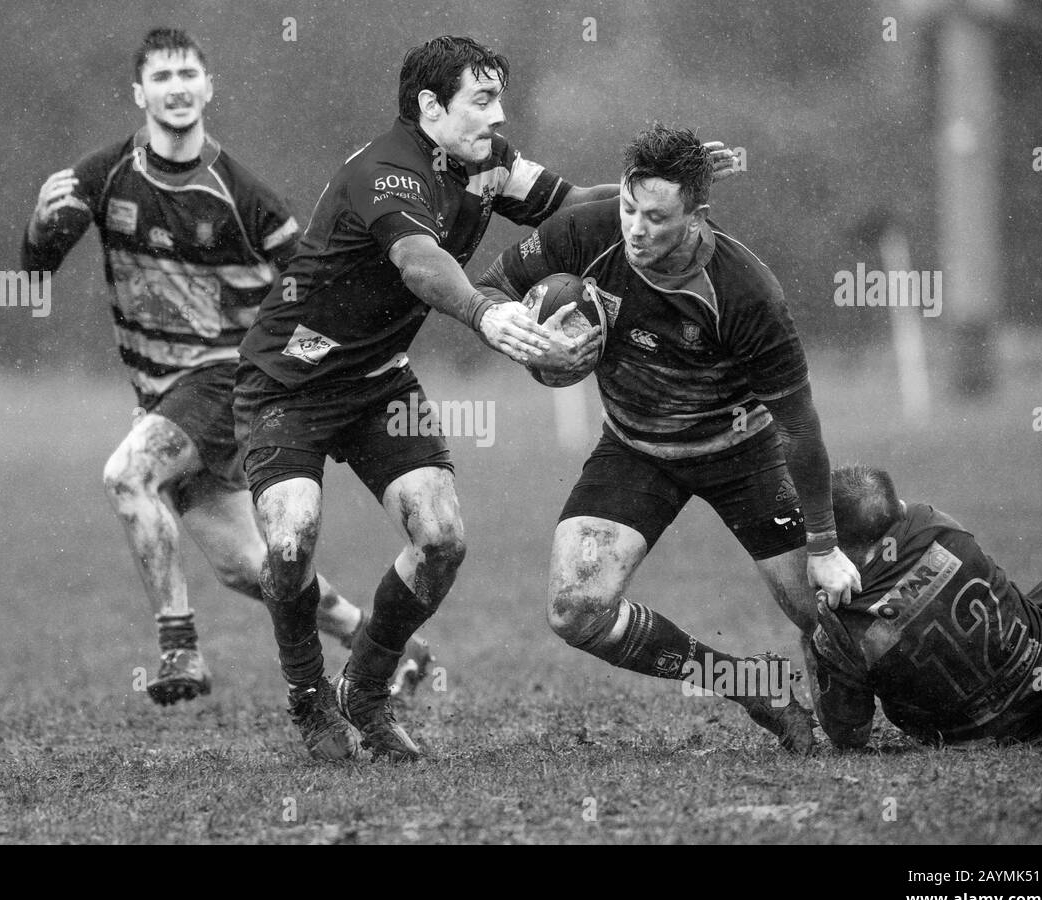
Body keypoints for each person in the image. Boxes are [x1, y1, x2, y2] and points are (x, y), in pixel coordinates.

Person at [235, 38, 739, 762]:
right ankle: (307, 696)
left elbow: (576, 210)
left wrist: (661, 190)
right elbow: (418, 262)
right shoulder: (385, 173)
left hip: (377, 384)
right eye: (482, 99)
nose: (498, 114)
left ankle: (366, 690)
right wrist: (483, 311)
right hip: (288, 382)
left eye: (499, 97)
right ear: (429, 106)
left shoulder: (489, 161)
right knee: (290, 539)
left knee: (441, 541)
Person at [20, 28, 431, 711]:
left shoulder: (245, 196)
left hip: (221, 381)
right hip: (162, 397)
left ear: (208, 89)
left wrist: (328, 359)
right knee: (252, 567)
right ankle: (380, 642)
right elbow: (35, 278)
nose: (177, 86)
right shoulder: (104, 176)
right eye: (162, 76)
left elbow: (315, 279)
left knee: (127, 477)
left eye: (188, 74)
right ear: (140, 93)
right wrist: (38, 231)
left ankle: (178, 644)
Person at [474, 124, 864, 753]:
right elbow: (489, 289)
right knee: (576, 610)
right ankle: (745, 683)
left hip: (742, 452)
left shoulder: (746, 293)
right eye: (630, 208)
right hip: (635, 450)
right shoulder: (587, 232)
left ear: (695, 217)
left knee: (832, 622)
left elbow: (799, 424)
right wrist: (528, 338)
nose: (636, 229)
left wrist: (823, 545)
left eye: (656, 218)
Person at [809, 464, 1042, 748]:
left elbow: (849, 734)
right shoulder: (932, 522)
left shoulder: (840, 625)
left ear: (833, 541)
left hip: (986, 740)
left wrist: (816, 635)